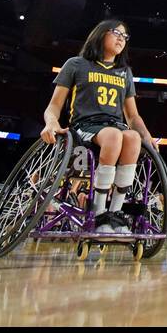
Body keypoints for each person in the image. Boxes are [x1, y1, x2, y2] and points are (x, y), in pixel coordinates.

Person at [42, 19, 154, 237]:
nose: (122, 38)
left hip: (116, 128)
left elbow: (133, 115)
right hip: (84, 127)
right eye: (116, 33)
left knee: (132, 137)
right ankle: (99, 211)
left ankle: (115, 213)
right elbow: (54, 106)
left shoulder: (125, 72)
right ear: (100, 34)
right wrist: (51, 123)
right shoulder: (75, 64)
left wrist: (147, 138)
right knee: (114, 135)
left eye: (125, 36)